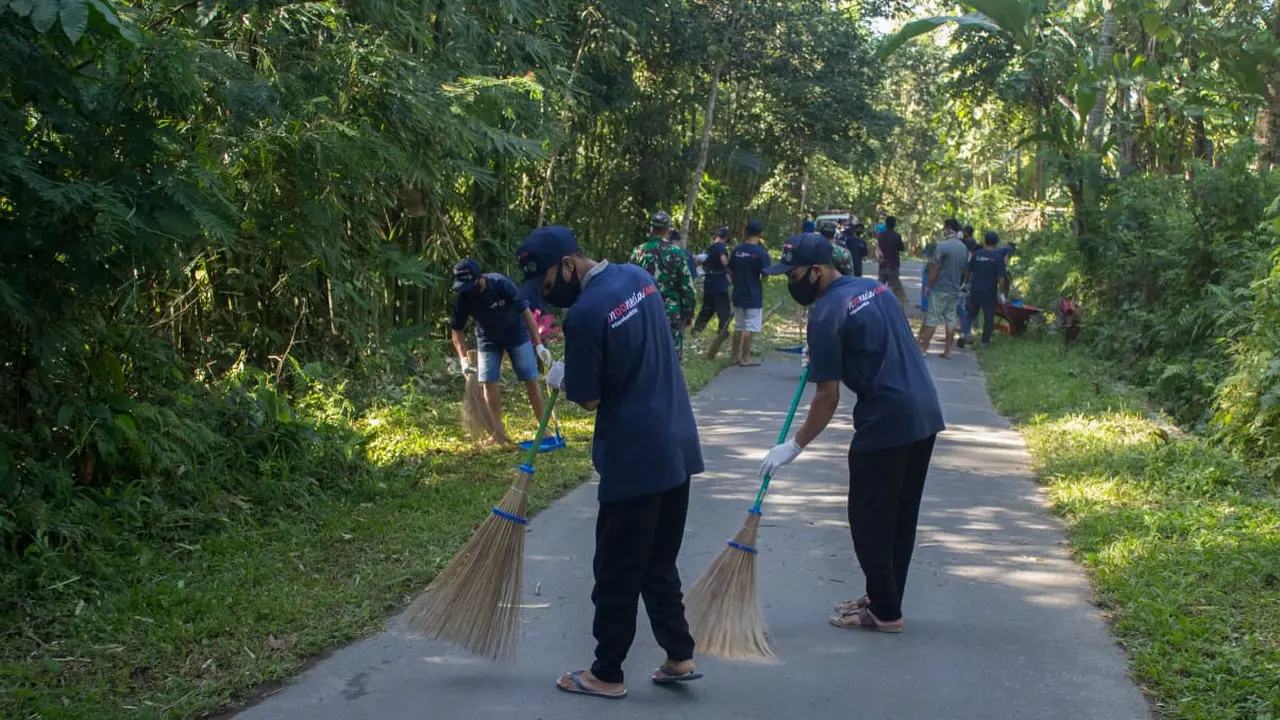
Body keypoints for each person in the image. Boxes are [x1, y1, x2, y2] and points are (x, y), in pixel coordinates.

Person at [515, 225, 705, 699]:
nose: (545, 295)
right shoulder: (638, 277)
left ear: (568, 265)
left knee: (617, 570)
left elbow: (589, 398)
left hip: (633, 457)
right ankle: (679, 655)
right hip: (676, 444)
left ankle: (607, 673)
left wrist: (565, 375)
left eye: (545, 283)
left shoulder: (584, 315)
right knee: (658, 561)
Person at [757, 233, 943, 633]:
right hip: (924, 411)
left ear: (818, 270)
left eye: (793, 274)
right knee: (900, 516)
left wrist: (794, 445)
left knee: (869, 519)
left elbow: (827, 395)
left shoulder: (826, 313)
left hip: (885, 421)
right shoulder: (874, 288)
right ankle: (884, 599)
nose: (791, 282)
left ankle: (885, 613)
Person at [449, 258, 550, 445]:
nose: (468, 291)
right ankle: (497, 433)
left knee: (530, 379)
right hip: (488, 340)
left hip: (517, 335)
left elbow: (526, 313)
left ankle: (544, 430)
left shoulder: (501, 284)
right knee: (488, 382)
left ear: (480, 277)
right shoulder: (463, 298)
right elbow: (457, 331)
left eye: (471, 285)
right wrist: (463, 360)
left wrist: (538, 344)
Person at [630, 211, 697, 360]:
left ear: (652, 229)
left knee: (648, 354)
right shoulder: (677, 253)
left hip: (645, 310)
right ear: (668, 229)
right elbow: (687, 287)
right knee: (671, 356)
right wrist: (689, 313)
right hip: (672, 311)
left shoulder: (639, 252)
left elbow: (630, 284)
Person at [917, 225, 969, 358]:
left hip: (940, 289)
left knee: (932, 318)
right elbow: (965, 269)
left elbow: (934, 268)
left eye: (945, 229)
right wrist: (961, 284)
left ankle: (924, 348)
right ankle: (948, 351)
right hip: (954, 290)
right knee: (950, 320)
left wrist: (928, 285)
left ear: (950, 230)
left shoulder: (942, 246)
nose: (944, 231)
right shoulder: (964, 248)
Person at [730, 220, 771, 366]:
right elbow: (766, 274)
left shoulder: (737, 249)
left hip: (738, 292)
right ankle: (745, 357)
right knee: (750, 327)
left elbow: (730, 270)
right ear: (760, 234)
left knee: (739, 326)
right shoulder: (761, 253)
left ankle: (734, 356)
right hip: (753, 294)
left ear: (746, 232)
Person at [692, 226, 733, 359]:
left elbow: (698, 262)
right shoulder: (721, 247)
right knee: (724, 311)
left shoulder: (709, 249)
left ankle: (696, 331)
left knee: (706, 309)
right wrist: (728, 268)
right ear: (725, 238)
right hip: (719, 284)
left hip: (709, 282)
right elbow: (723, 261)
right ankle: (722, 334)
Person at [964, 231, 1009, 348]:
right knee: (989, 317)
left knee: (970, 313)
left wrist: (965, 283)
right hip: (989, 293)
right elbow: (1001, 278)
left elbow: (968, 270)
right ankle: (985, 342)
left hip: (975, 290)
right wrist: (1002, 293)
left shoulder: (977, 254)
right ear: (996, 242)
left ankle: (963, 335)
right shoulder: (998, 258)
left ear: (985, 241)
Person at [876, 216, 906, 309]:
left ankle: (877, 304)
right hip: (893, 264)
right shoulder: (897, 235)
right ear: (894, 224)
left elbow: (879, 247)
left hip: (883, 263)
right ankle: (898, 307)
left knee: (880, 286)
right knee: (896, 287)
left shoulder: (881, 235)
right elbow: (902, 248)